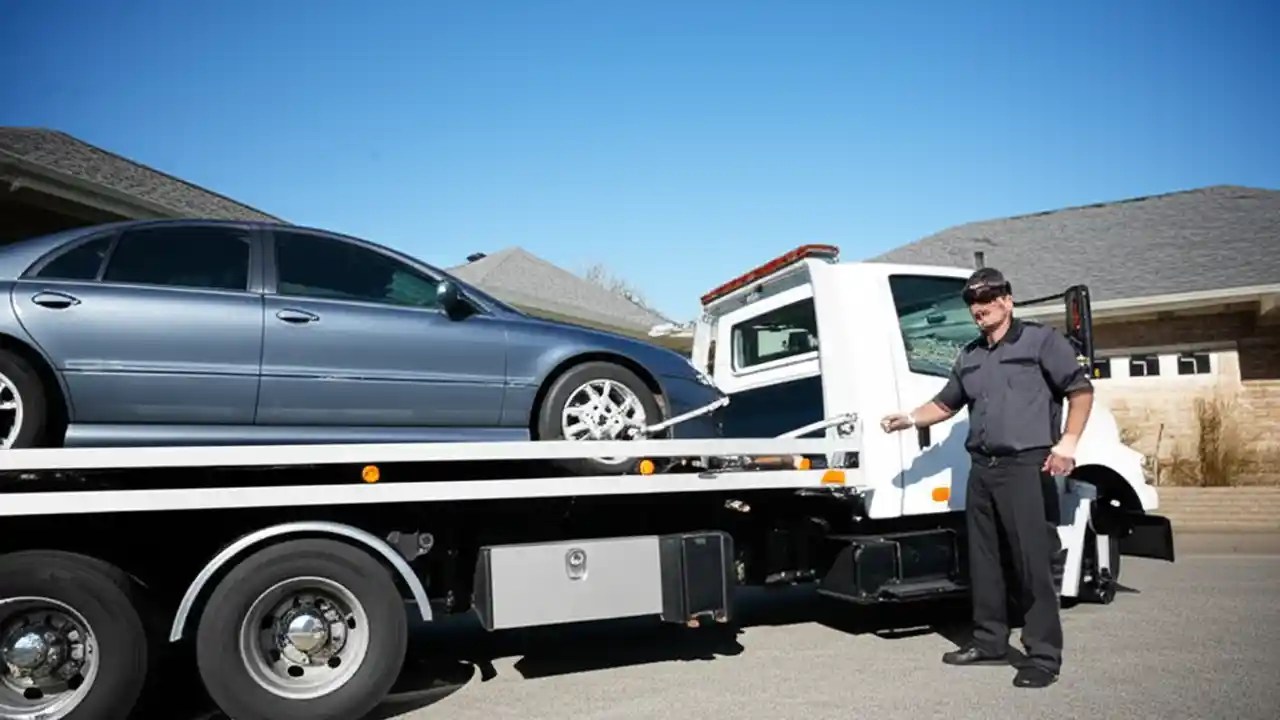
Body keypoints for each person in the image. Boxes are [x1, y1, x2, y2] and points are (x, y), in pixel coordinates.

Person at [880, 267, 1094, 689]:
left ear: (1007, 300)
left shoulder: (1041, 342)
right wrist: (908, 418)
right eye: (972, 302)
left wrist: (1068, 443)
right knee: (986, 562)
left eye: (988, 298)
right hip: (983, 470)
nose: (979, 307)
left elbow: (1080, 390)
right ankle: (990, 642)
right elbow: (945, 404)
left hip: (1026, 466)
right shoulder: (970, 355)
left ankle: (1044, 656)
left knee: (1033, 563)